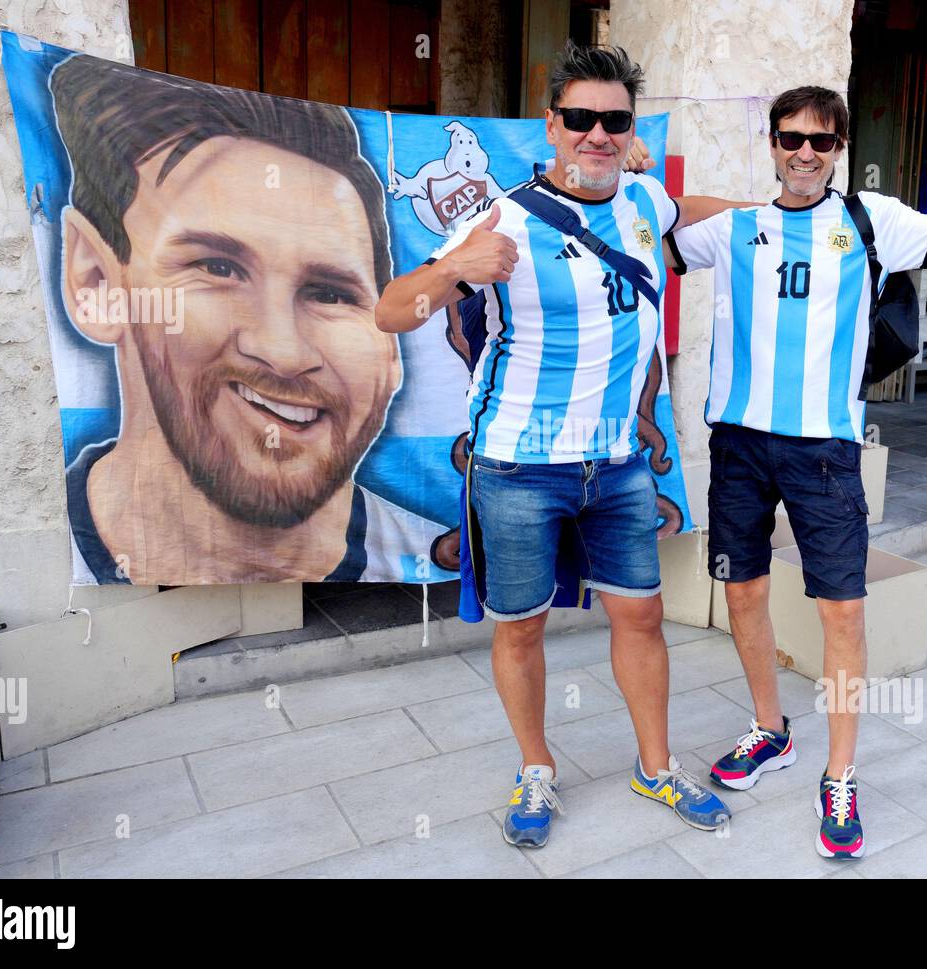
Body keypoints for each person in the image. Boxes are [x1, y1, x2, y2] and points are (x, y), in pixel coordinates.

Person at [376, 42, 748, 849]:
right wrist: (457, 267)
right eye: (580, 118)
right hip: (516, 466)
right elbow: (392, 312)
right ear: (552, 125)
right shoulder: (504, 217)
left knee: (642, 618)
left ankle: (655, 764)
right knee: (520, 628)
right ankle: (536, 766)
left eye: (614, 120)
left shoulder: (649, 203)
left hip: (615, 466)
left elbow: (737, 219)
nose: (597, 134)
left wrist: (802, 206)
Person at [665, 86, 927, 858]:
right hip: (736, 443)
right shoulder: (732, 229)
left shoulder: (871, 220)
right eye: (792, 138)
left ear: (839, 150)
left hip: (824, 452)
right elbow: (651, 226)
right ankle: (771, 728)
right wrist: (634, 165)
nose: (805, 151)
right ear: (772, 143)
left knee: (841, 612)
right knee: (743, 592)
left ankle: (840, 773)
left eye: (822, 142)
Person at [50, 54, 442, 585]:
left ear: (391, 352)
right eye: (217, 268)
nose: (283, 352)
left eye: (330, 293)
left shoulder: (436, 549)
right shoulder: (48, 551)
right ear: (96, 282)